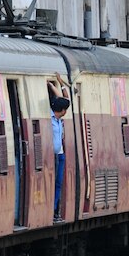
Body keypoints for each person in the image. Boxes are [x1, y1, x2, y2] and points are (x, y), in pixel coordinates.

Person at [49, 91, 70, 221]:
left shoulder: (59, 120)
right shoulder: (49, 119)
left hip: (60, 154)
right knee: (53, 183)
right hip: (53, 155)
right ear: (62, 110)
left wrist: (55, 85)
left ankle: (55, 208)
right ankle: (52, 209)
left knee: (58, 183)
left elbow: (67, 99)